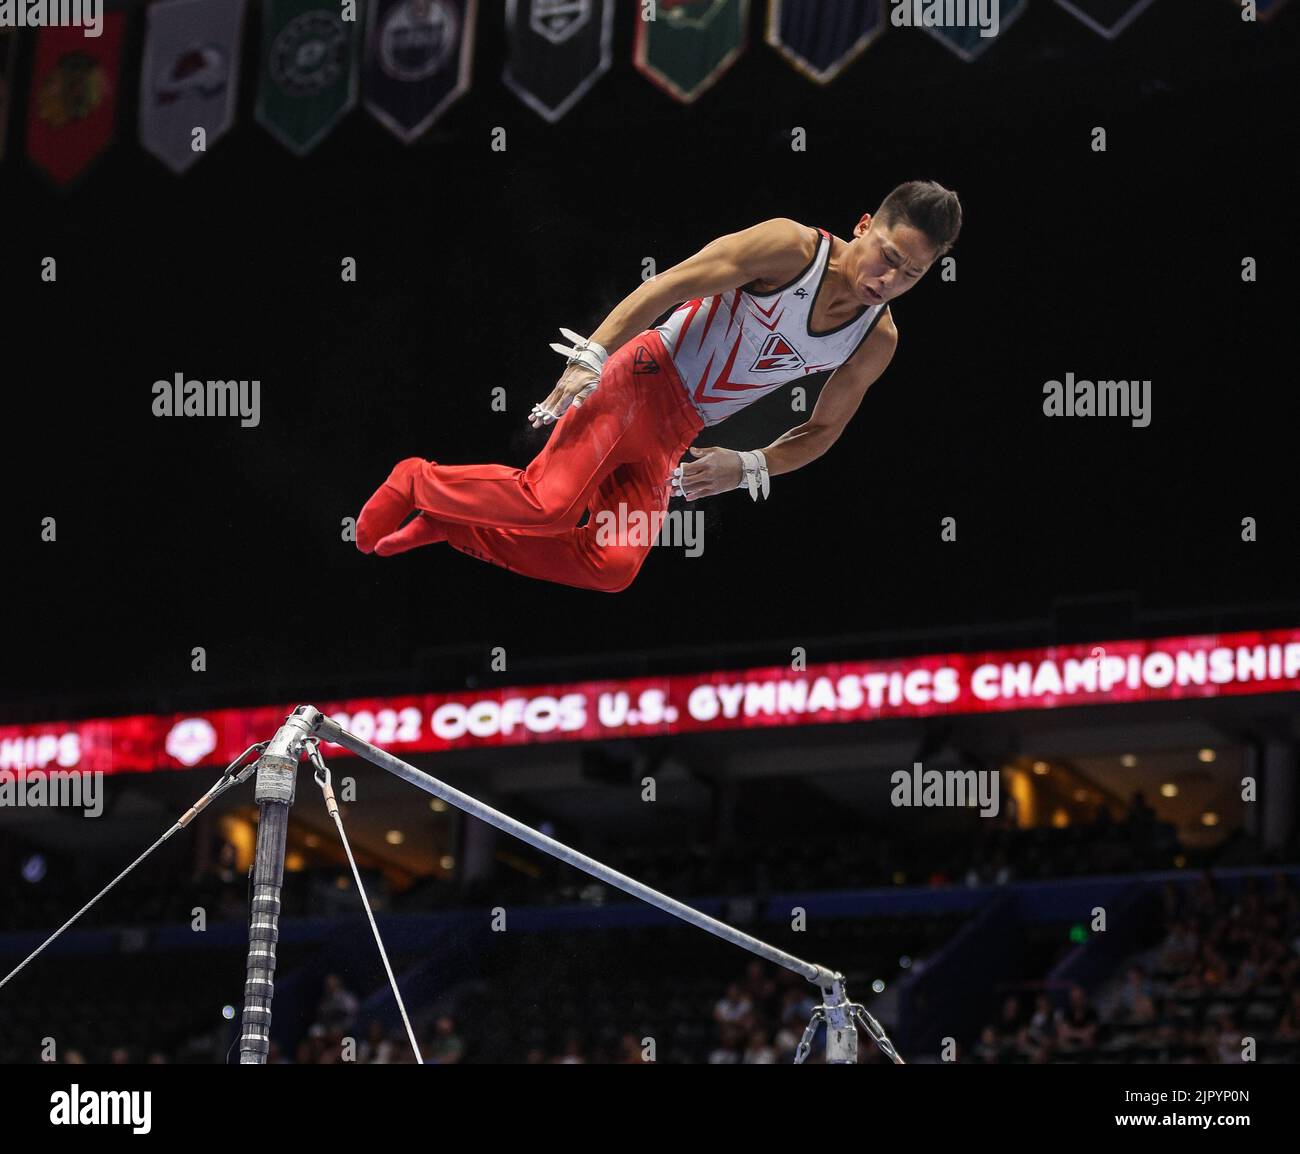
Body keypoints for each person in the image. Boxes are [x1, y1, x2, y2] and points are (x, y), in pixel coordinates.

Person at [356, 182, 962, 591]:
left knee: (613, 564)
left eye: (911, 274)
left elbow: (823, 430)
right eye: (886, 256)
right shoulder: (788, 248)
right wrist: (595, 353)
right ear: (863, 226)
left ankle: (450, 522)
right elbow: (667, 285)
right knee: (548, 504)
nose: (888, 279)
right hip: (644, 377)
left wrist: (749, 465)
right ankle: (417, 479)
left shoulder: (875, 340)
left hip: (680, 430)